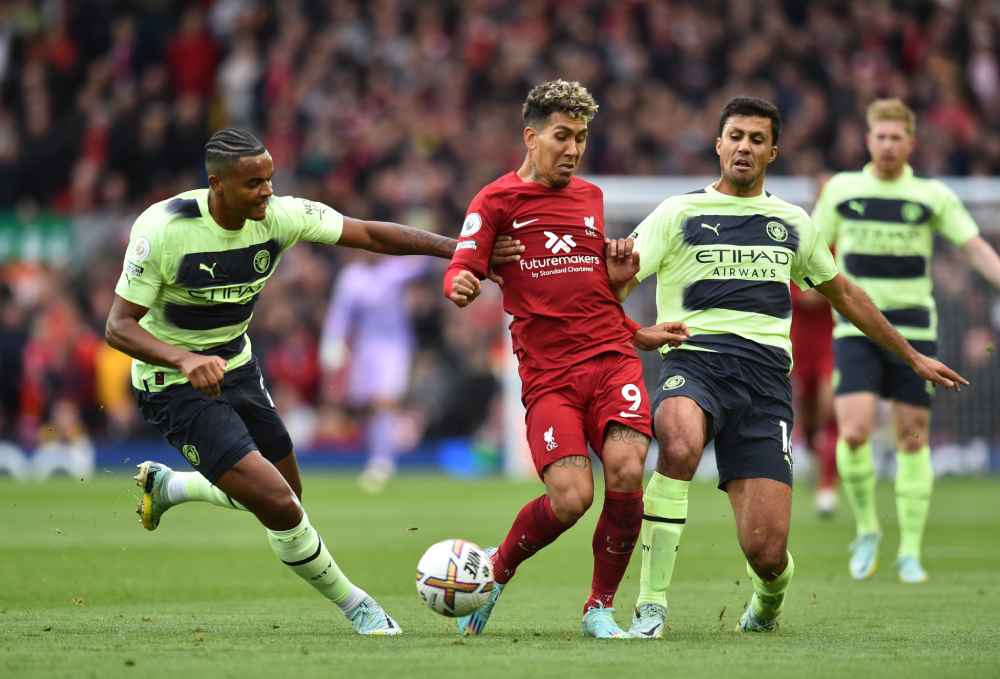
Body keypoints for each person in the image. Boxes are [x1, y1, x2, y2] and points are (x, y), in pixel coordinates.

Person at [105, 128, 520, 636]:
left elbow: (370, 235)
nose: (267, 191)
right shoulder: (165, 229)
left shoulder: (280, 215)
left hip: (237, 365)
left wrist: (465, 252)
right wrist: (184, 359)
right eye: (253, 183)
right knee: (279, 505)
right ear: (217, 185)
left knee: (286, 498)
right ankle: (359, 606)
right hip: (172, 381)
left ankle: (170, 486)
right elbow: (118, 327)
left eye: (270, 179)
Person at [606, 97, 966, 637]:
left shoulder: (793, 222)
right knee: (677, 443)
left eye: (757, 139)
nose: (744, 147)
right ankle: (650, 606)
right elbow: (611, 287)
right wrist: (634, 328)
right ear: (719, 143)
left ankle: (767, 602)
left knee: (766, 552)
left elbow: (845, 295)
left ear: (772, 151)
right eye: (735, 136)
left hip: (766, 383)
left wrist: (912, 356)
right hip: (695, 362)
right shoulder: (677, 213)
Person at [444, 80, 688, 638]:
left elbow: (590, 293)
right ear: (531, 138)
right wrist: (460, 283)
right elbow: (462, 263)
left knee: (626, 469)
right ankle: (498, 570)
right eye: (562, 136)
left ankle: (599, 608)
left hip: (612, 360)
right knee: (573, 498)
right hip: (549, 377)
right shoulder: (495, 201)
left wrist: (636, 329)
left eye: (581, 137)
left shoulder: (592, 198)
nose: (573, 148)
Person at [811, 99, 1000, 583]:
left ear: (910, 143)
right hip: (856, 327)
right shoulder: (841, 190)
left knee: (912, 437)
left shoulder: (931, 195)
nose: (888, 145)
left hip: (915, 330)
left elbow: (974, 247)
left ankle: (910, 551)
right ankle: (867, 529)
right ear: (868, 139)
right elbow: (810, 248)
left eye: (897, 138)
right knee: (854, 431)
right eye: (881, 136)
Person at [320, 252, 430, 492]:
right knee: (364, 404)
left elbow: (424, 264)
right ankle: (374, 453)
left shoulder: (395, 269)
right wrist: (332, 343)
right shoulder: (351, 277)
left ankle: (383, 461)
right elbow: (339, 314)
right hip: (363, 348)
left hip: (394, 346)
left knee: (385, 399)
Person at [789, 284, 839, 516]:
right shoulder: (790, 259)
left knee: (830, 408)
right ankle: (811, 451)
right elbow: (799, 295)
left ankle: (827, 486)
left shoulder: (839, 258)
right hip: (801, 341)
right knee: (808, 413)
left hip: (831, 338)